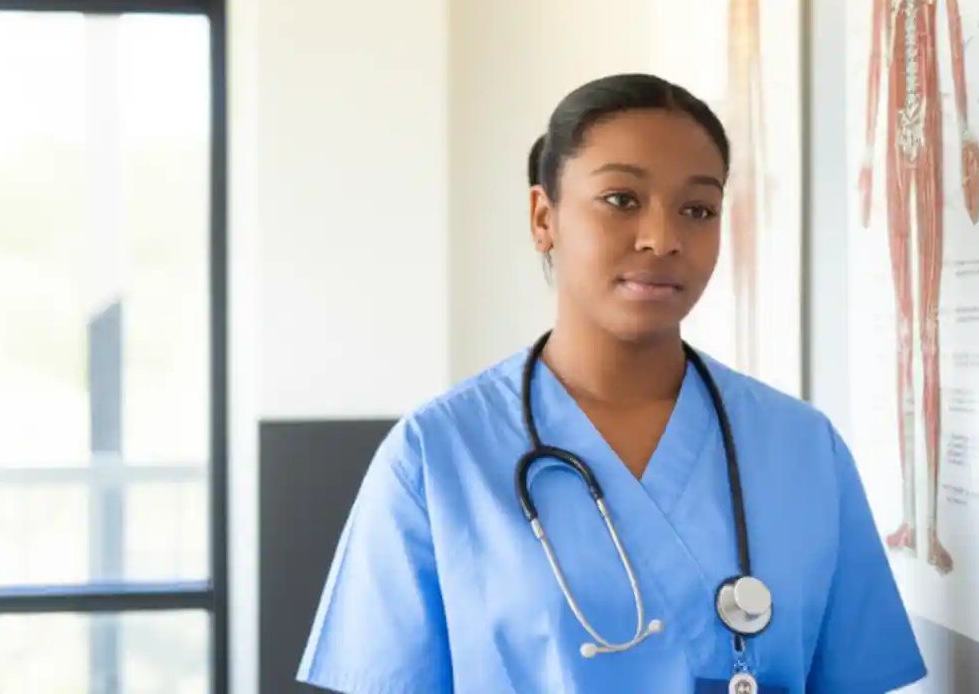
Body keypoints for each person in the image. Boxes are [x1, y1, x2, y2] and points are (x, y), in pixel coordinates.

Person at [296, 72, 927, 693]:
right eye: (622, 200)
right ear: (544, 217)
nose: (662, 238)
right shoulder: (437, 456)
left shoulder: (802, 449)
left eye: (698, 209)